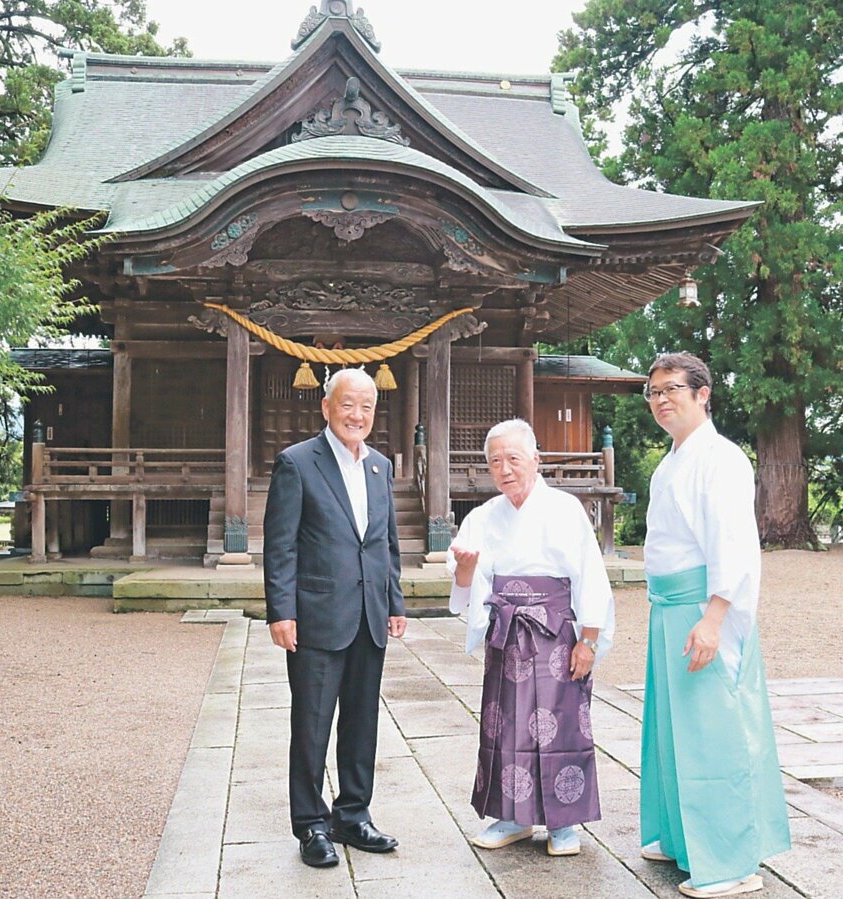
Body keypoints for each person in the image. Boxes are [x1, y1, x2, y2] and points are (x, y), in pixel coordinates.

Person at [638, 352, 791, 898]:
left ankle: (731, 860)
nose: (660, 400)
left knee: (714, 735)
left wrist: (714, 619)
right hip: (669, 607)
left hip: (704, 608)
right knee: (676, 734)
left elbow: (734, 546)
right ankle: (683, 838)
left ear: (703, 394)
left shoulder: (722, 458)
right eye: (653, 391)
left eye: (671, 389)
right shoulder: (670, 462)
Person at [447, 419, 615, 858]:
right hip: (507, 632)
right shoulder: (483, 516)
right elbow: (466, 582)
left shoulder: (565, 509)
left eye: (514, 458)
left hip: (558, 631)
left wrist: (589, 641)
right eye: (495, 461)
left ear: (536, 460)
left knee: (562, 726)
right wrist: (464, 566)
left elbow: (591, 578)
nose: (505, 469)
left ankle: (565, 822)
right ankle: (512, 816)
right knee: (507, 726)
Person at [262, 367, 407, 868]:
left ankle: (353, 814)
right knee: (312, 723)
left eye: (367, 406)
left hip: (369, 614)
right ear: (327, 407)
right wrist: (281, 611)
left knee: (362, 721)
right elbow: (280, 545)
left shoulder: (380, 467)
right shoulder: (298, 463)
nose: (358, 415)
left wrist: (395, 601)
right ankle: (311, 825)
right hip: (318, 614)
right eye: (348, 405)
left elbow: (385, 542)